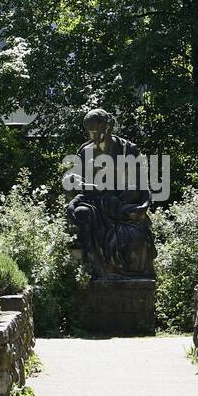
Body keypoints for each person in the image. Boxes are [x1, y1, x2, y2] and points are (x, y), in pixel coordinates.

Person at [64, 108, 156, 279]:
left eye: (97, 130)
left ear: (108, 126)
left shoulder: (127, 149)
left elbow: (138, 184)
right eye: (90, 131)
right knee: (81, 213)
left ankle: (128, 277)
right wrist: (79, 185)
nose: (94, 135)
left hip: (121, 201)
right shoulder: (85, 151)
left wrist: (117, 198)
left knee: (135, 236)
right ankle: (92, 273)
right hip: (93, 202)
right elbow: (75, 177)